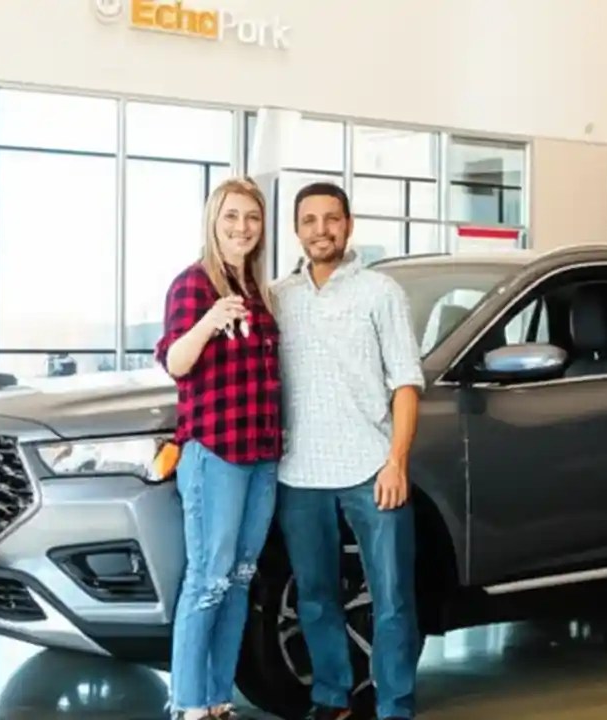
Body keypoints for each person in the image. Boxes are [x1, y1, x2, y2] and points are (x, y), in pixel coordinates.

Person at [272, 182, 425, 720]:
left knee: (393, 599)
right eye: (309, 220)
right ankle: (332, 697)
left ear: (348, 224)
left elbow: (406, 382)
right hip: (299, 473)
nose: (321, 230)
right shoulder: (278, 296)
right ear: (297, 230)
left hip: (371, 468)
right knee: (314, 595)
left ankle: (395, 705)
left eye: (331, 219)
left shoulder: (381, 292)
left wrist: (397, 461)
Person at [154, 177, 282, 720]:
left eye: (252, 218)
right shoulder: (192, 285)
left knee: (240, 578)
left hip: (262, 454)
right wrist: (208, 321)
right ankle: (187, 703)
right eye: (232, 217)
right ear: (214, 221)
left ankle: (218, 699)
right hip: (215, 452)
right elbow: (176, 362)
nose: (242, 228)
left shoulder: (260, 290)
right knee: (207, 578)